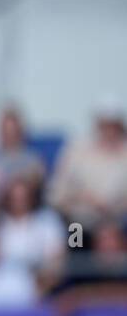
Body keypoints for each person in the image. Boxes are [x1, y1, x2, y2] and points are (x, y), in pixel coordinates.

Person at [47, 97, 127, 227]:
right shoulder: (76, 151)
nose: (109, 132)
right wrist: (85, 198)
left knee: (110, 238)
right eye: (105, 126)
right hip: (79, 220)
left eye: (113, 126)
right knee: (75, 234)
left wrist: (113, 206)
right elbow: (56, 194)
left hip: (117, 223)